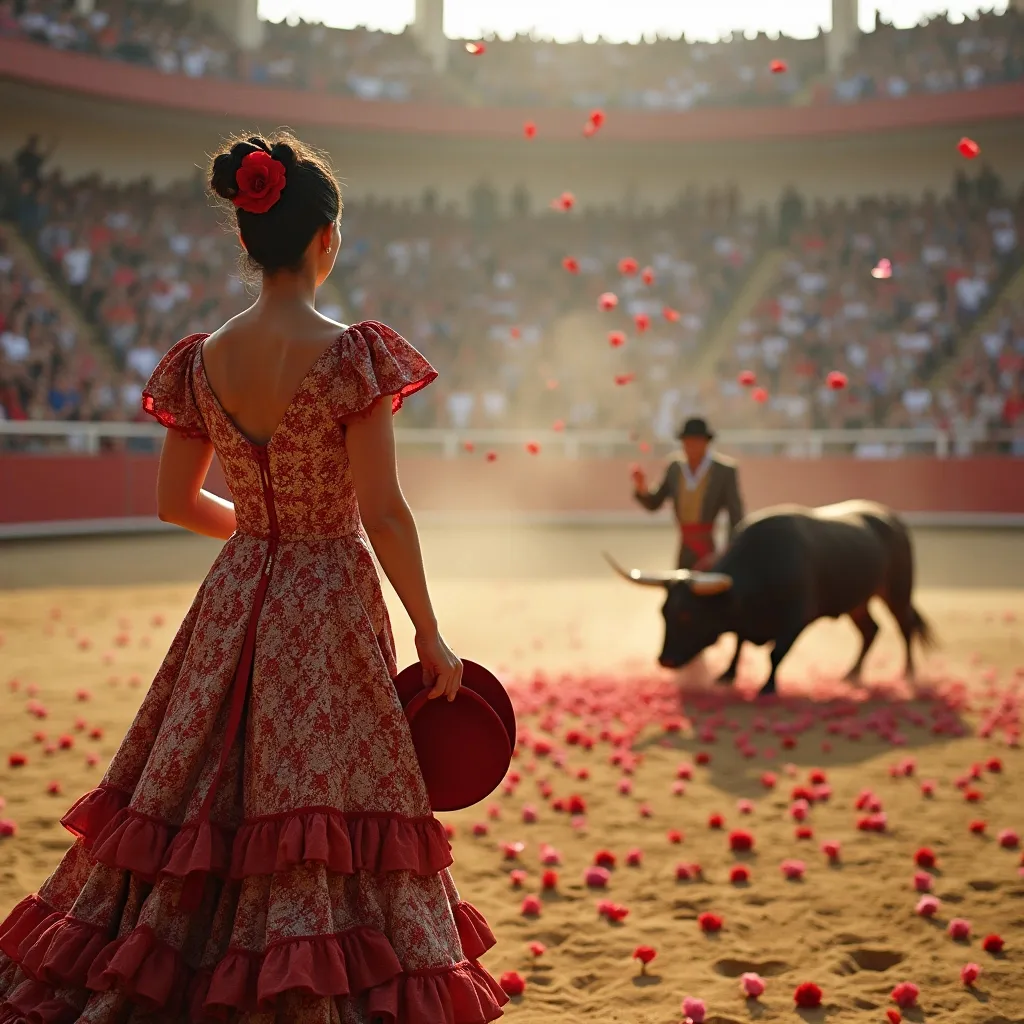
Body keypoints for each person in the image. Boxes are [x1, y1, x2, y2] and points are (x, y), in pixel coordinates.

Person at [0, 133, 507, 1024]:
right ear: (328, 240)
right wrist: (428, 629)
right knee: (327, 793)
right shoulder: (351, 355)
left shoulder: (202, 360)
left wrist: (264, 536)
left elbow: (174, 502)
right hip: (331, 601)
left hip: (240, 590)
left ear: (248, 240)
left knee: (207, 784)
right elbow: (383, 512)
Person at [631, 417, 745, 571]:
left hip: (709, 550)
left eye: (695, 442)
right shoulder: (675, 468)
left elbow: (736, 518)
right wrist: (641, 487)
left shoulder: (723, 471)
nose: (690, 447)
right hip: (684, 548)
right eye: (687, 442)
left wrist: (725, 554)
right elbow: (654, 503)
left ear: (705, 443)